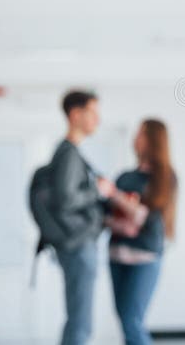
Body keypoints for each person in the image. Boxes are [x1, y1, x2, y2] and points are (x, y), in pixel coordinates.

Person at [106, 119, 178, 345]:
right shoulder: (125, 177)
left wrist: (114, 195)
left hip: (144, 257)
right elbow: (106, 215)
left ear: (154, 140)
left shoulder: (166, 178)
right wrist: (121, 222)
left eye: (141, 134)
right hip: (117, 255)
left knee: (132, 321)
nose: (135, 139)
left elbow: (147, 216)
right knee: (125, 322)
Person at [52, 90, 115, 345]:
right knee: (80, 322)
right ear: (76, 114)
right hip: (78, 246)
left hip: (77, 245)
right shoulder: (68, 153)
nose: (97, 120)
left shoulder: (70, 152)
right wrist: (98, 190)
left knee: (78, 319)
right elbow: (66, 199)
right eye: (93, 113)